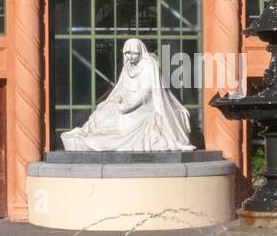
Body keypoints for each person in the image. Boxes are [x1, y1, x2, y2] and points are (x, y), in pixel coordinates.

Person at [61, 38, 194, 151]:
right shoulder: (128, 66)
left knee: (117, 114)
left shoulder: (149, 65)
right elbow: (122, 87)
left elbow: (147, 92)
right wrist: (117, 98)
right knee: (105, 107)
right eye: (127, 53)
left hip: (146, 104)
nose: (129, 57)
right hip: (129, 100)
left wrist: (129, 106)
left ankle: (100, 137)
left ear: (140, 52)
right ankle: (89, 133)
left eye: (132, 53)